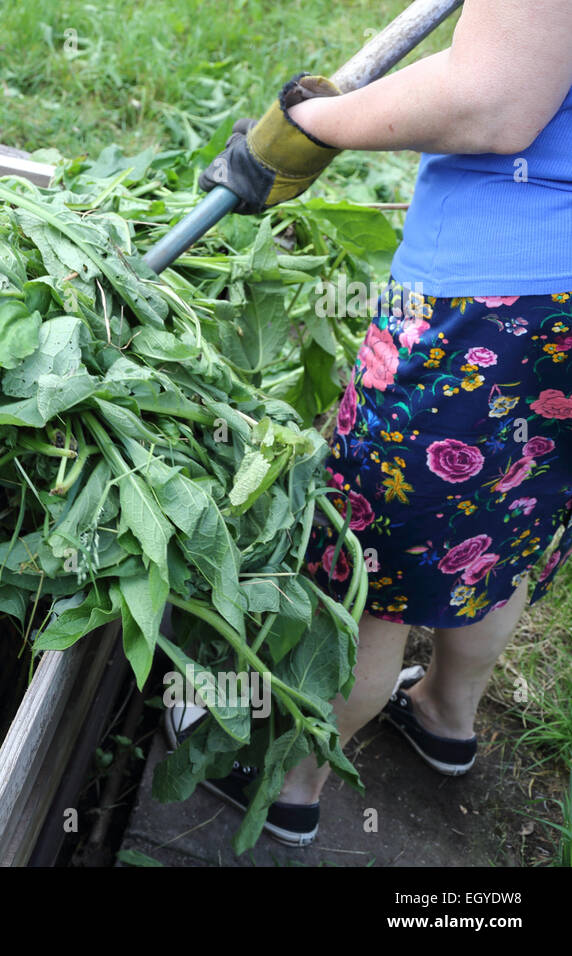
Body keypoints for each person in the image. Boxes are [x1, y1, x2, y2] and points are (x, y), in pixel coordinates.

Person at [181, 0, 572, 846]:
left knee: (369, 567)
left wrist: (314, 122)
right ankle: (443, 714)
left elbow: (493, 100)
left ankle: (289, 778)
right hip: (555, 328)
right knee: (509, 517)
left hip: (501, 299)